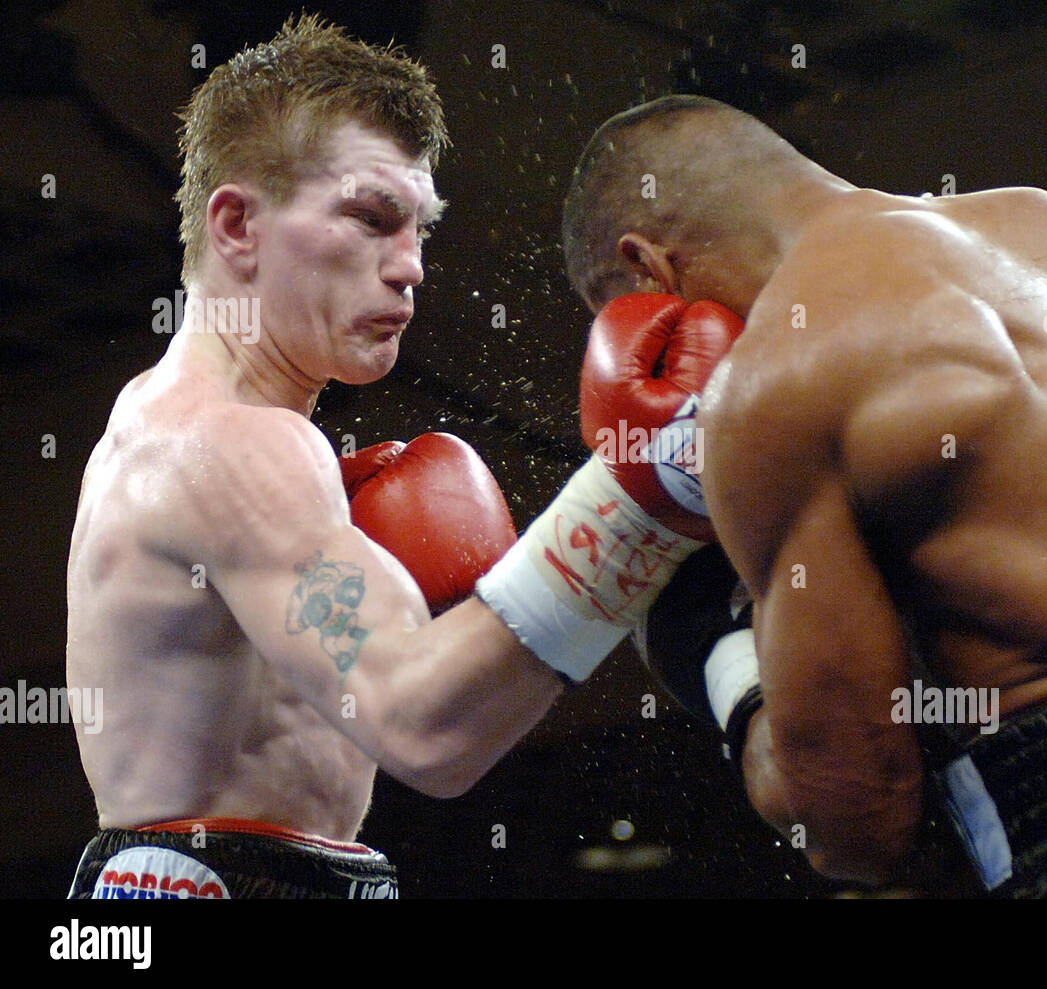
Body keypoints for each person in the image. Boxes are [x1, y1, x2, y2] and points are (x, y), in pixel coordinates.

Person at [65, 17, 739, 899]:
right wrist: (635, 499)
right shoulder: (225, 443)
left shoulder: (185, 433)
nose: (412, 267)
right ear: (236, 225)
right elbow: (427, 729)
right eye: (372, 218)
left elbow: (455, 723)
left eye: (420, 228)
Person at [562, 94, 1047, 897]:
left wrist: (715, 653)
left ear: (647, 267)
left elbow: (856, 822)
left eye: (634, 315)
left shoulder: (777, 379)